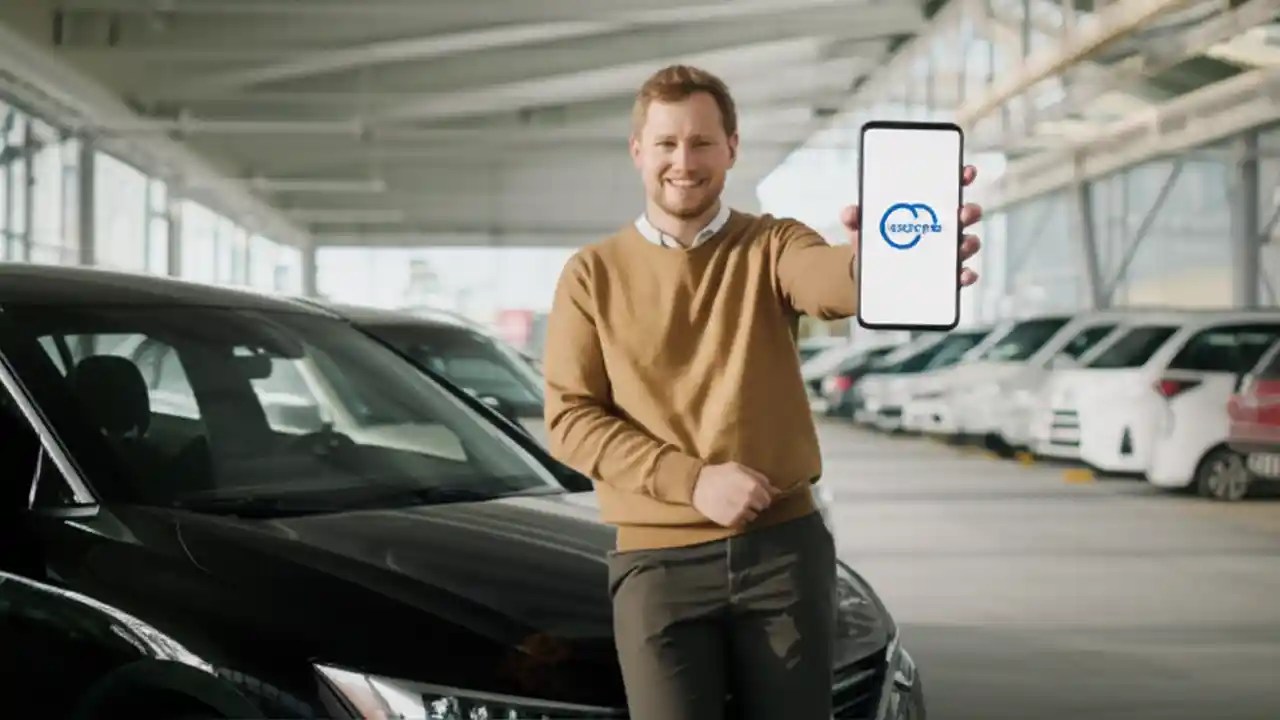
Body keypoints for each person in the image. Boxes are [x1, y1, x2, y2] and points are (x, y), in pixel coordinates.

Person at [542, 64, 983, 720]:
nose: (683, 162)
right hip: (658, 566)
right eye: (666, 143)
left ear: (732, 148)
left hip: (784, 555)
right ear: (639, 151)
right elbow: (571, 418)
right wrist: (691, 481)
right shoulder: (591, 275)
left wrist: (881, 260)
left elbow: (828, 280)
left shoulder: (772, 243)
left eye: (701, 142)